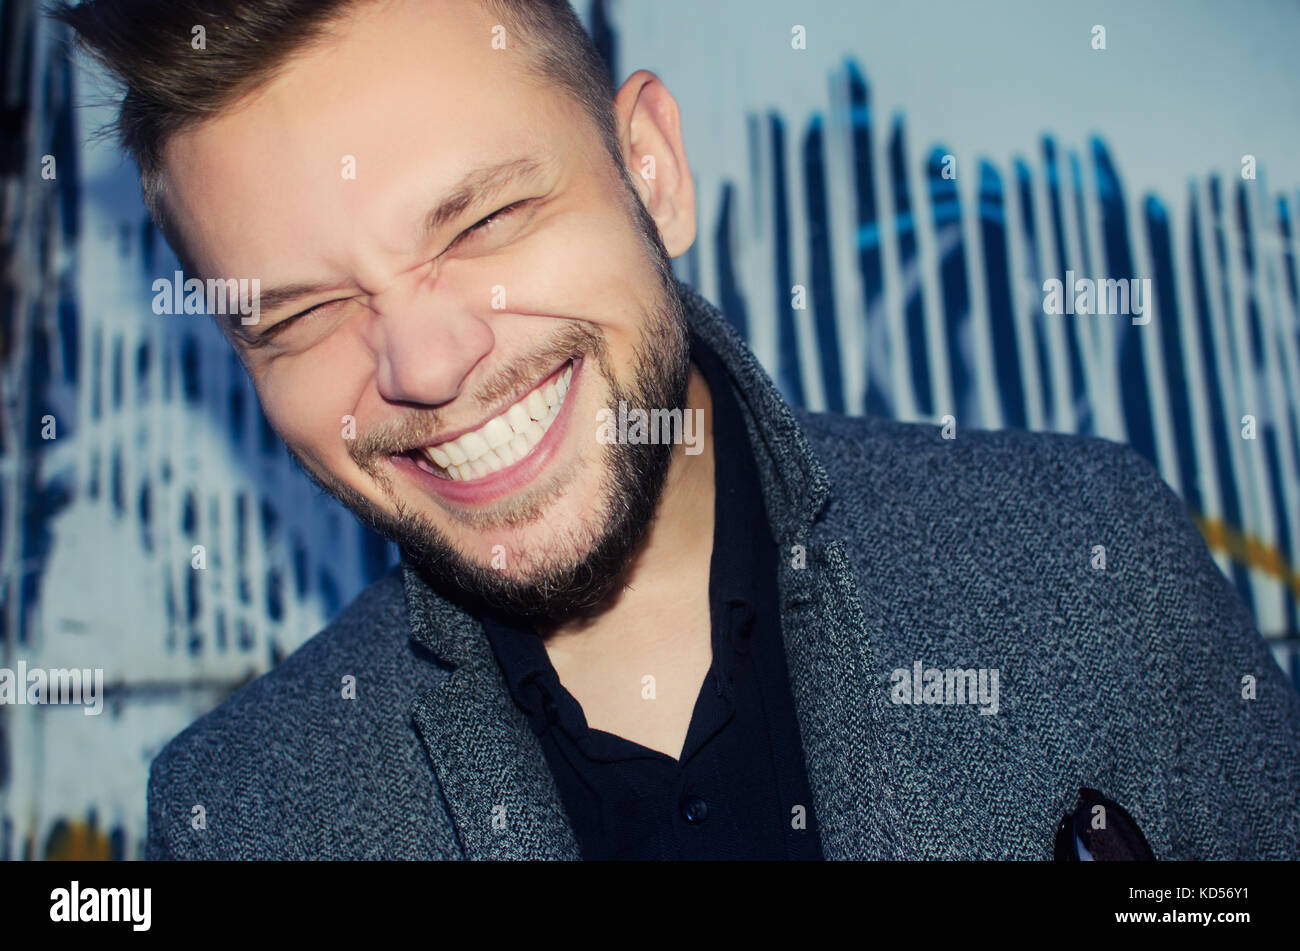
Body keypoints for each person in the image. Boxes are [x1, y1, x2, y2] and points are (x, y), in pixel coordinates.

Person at [53, 0, 1300, 859]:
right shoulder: (252, 814)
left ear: (651, 166)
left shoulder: (1080, 561)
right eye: (309, 313)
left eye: (482, 221)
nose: (425, 365)